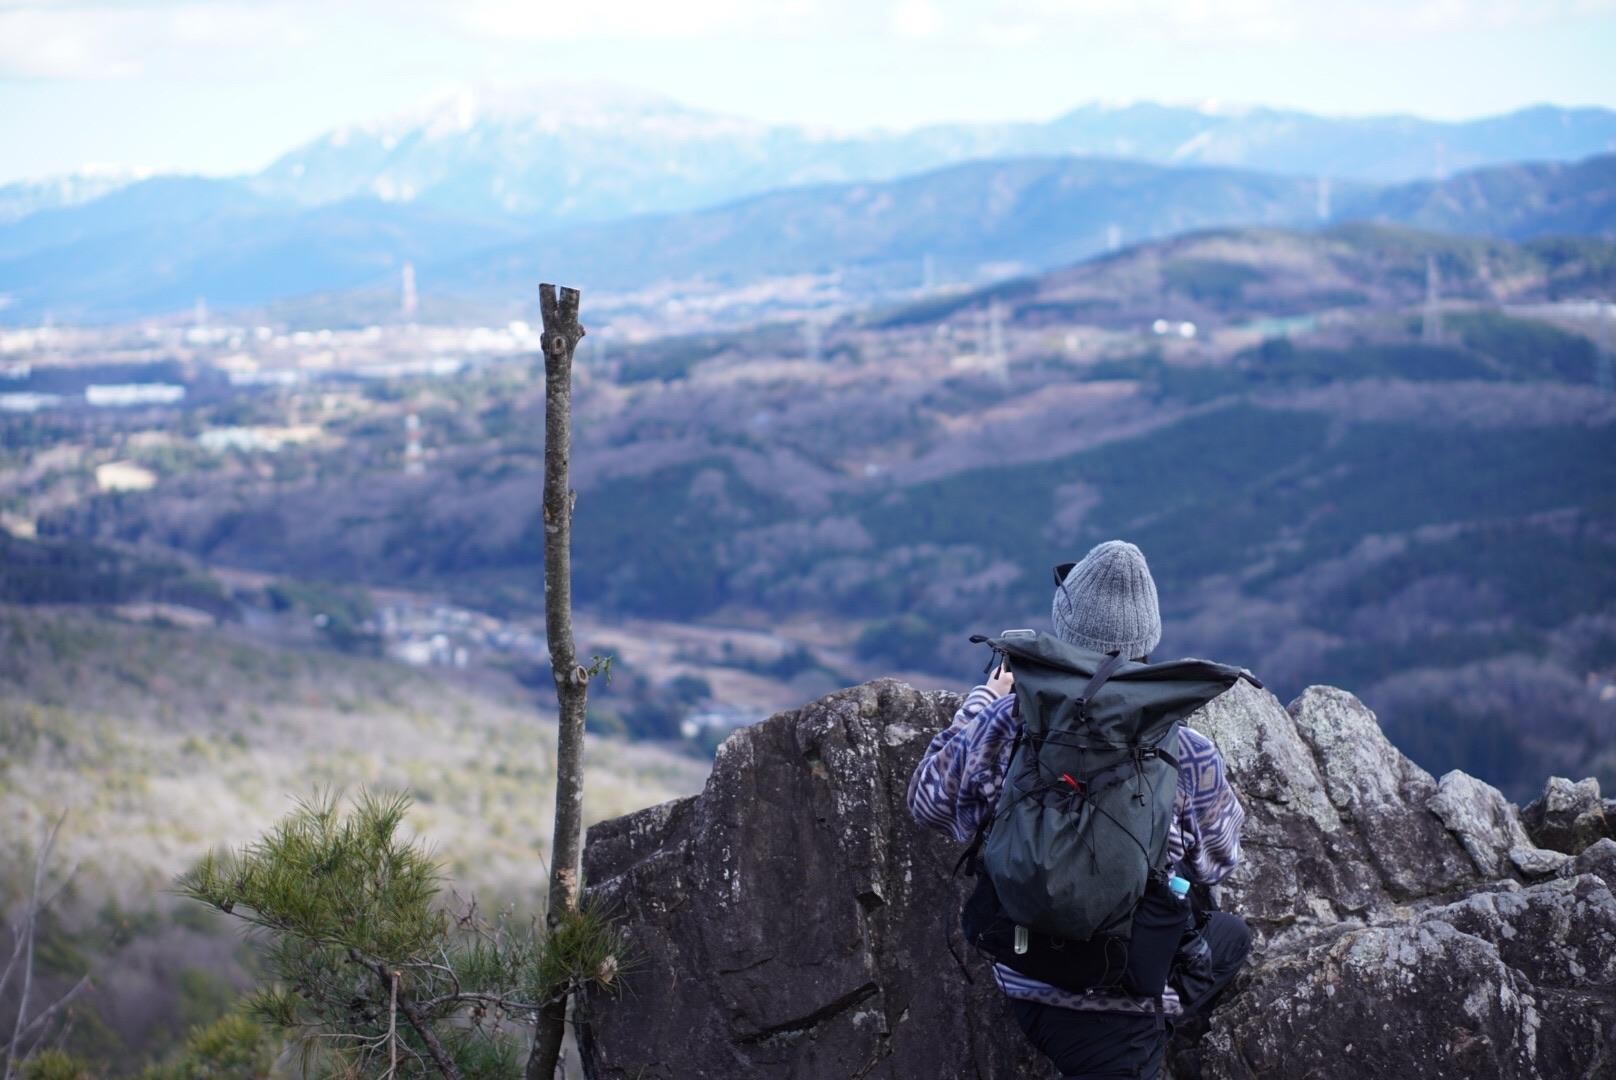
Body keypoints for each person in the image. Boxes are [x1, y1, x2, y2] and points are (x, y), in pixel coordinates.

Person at [907, 539, 1251, 1079]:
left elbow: (927, 801)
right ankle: (1143, 1033)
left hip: (1021, 975)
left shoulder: (1008, 723)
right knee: (1231, 937)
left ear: (1063, 628)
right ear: (1147, 641)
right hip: (1119, 1011)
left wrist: (983, 702)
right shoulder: (1187, 753)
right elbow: (1217, 862)